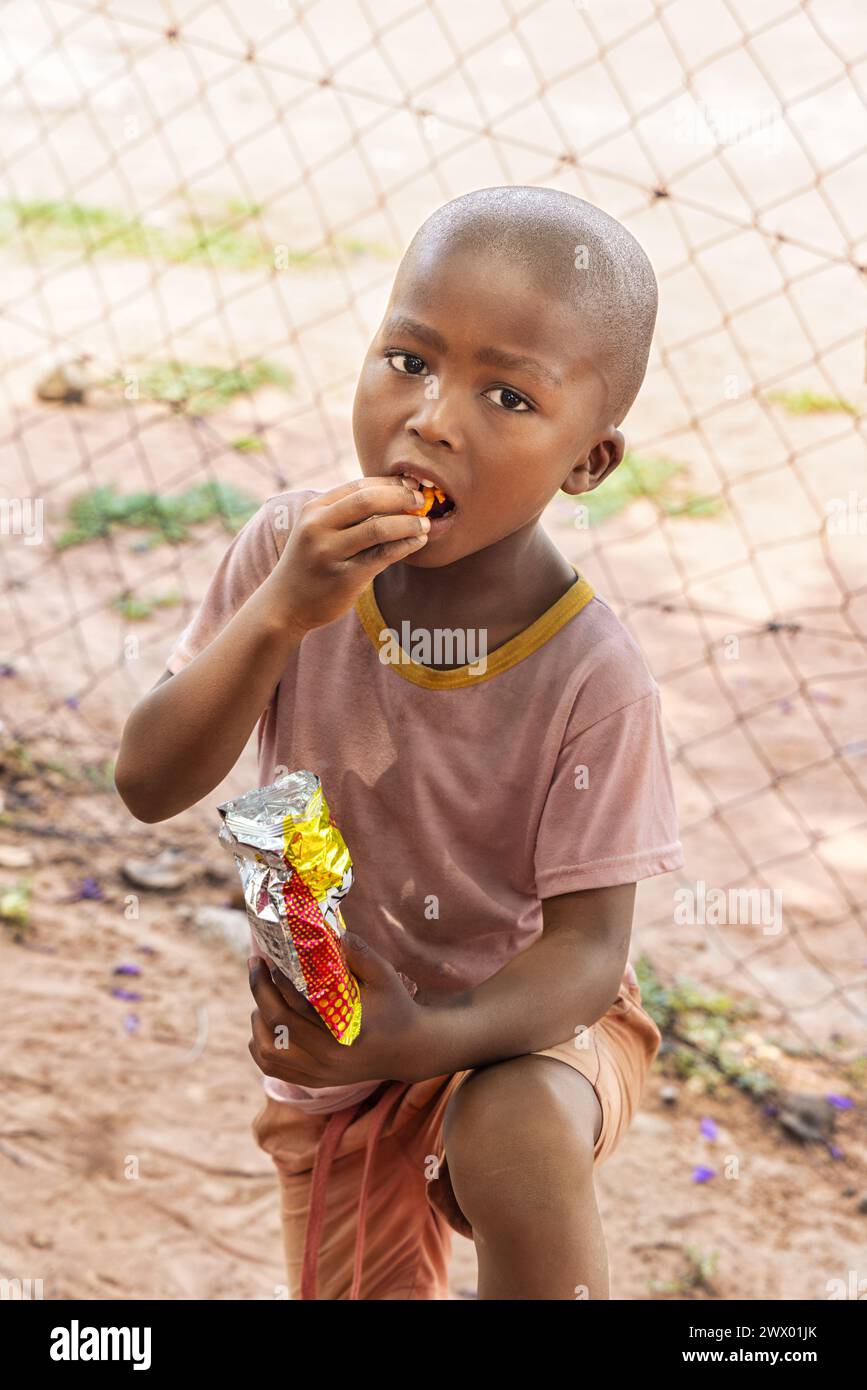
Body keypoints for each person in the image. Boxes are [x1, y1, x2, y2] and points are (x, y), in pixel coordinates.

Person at [116, 185, 684, 1300]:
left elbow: (585, 954)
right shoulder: (290, 551)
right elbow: (148, 780)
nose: (433, 417)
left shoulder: (591, 678)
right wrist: (280, 612)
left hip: (525, 1025)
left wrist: (427, 1033)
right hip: (335, 1031)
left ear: (589, 460)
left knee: (512, 1126)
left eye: (508, 394)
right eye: (409, 360)